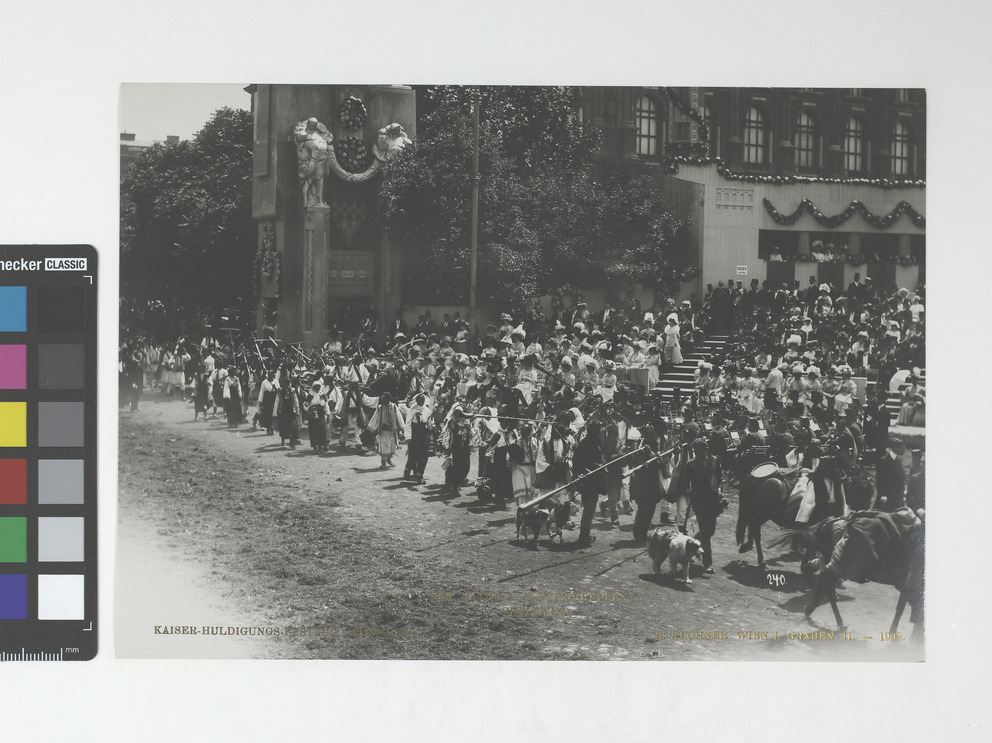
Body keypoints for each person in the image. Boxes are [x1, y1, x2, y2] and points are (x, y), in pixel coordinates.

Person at [684, 437, 724, 574]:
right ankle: (707, 563)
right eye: (694, 449)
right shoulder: (691, 464)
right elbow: (684, 483)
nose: (695, 452)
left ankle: (690, 544)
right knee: (706, 533)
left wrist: (721, 493)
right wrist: (689, 492)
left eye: (697, 449)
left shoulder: (715, 460)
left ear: (705, 449)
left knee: (710, 531)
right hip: (699, 502)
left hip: (713, 501)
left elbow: (719, 479)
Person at [573, 421, 606, 545]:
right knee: (589, 507)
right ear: (595, 432)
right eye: (599, 432)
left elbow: (597, 459)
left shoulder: (596, 444)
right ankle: (583, 536)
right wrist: (586, 470)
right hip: (587, 480)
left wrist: (599, 465)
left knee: (591, 508)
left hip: (595, 479)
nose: (601, 435)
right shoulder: (586, 443)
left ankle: (586, 534)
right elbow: (576, 460)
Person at [367, 391, 405, 468]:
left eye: (383, 398)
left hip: (392, 430)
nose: (381, 399)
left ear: (388, 399)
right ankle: (383, 462)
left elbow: (399, 417)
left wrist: (402, 428)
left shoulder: (394, 407)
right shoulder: (379, 408)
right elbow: (375, 418)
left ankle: (389, 459)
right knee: (384, 445)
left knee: (392, 446)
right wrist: (371, 428)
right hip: (383, 431)